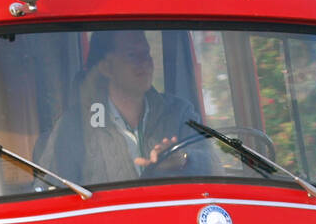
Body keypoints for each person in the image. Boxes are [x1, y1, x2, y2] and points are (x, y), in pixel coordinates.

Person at [39, 29, 205, 186]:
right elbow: (48, 192)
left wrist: (184, 159)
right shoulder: (73, 126)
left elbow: (213, 167)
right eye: (132, 55)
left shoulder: (179, 112)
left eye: (146, 53)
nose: (145, 62)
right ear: (106, 68)